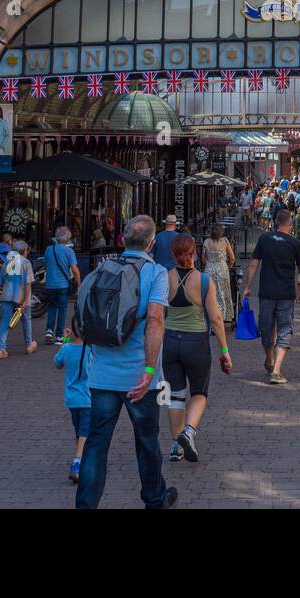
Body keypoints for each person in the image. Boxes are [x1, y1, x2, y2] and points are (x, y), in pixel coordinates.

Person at [76, 215, 177, 510]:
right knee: (146, 441)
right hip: (138, 378)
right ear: (152, 243)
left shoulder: (101, 269)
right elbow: (155, 320)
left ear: (122, 240)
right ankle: (154, 499)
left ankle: (86, 504)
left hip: (102, 374)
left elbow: (82, 315)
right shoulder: (155, 273)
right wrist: (149, 369)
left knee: (95, 444)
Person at [163, 234, 232, 464]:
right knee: (200, 393)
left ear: (174, 254)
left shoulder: (165, 278)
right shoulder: (204, 281)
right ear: (193, 254)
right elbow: (216, 318)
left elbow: (156, 315)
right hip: (196, 343)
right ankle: (189, 431)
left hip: (170, 342)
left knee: (174, 396)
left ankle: (175, 445)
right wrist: (224, 350)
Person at [240, 208, 300, 385]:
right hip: (286, 294)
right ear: (290, 224)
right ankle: (276, 370)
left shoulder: (264, 239)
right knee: (284, 328)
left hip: (266, 292)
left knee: (267, 328)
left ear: (276, 222)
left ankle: (270, 361)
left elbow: (253, 264)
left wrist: (247, 287)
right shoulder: (295, 244)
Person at [54, 330, 95, 483]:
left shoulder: (66, 348)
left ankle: (82, 460)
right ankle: (77, 463)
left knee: (79, 431)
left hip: (71, 399)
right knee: (85, 431)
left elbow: (57, 363)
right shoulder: (91, 351)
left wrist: (65, 340)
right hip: (87, 398)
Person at [0, 240, 37, 358]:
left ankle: (1, 349)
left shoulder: (7, 262)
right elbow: (28, 283)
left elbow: (0, 281)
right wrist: (25, 300)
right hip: (21, 295)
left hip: (6, 295)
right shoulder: (26, 263)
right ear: (24, 251)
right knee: (26, 320)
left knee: (5, 321)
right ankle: (29, 345)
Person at [44, 227, 81, 344]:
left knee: (51, 307)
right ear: (67, 238)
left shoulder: (49, 249)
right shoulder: (69, 252)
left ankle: (49, 331)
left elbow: (47, 264)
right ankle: (59, 337)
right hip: (63, 285)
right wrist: (79, 284)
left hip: (50, 284)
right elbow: (75, 270)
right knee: (62, 309)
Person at [202, 224, 236, 325]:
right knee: (223, 293)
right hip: (222, 270)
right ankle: (223, 316)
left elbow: (203, 259)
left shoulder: (206, 242)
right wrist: (228, 267)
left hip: (210, 270)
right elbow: (232, 258)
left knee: (210, 294)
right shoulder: (225, 241)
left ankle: (210, 316)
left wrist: (209, 264)